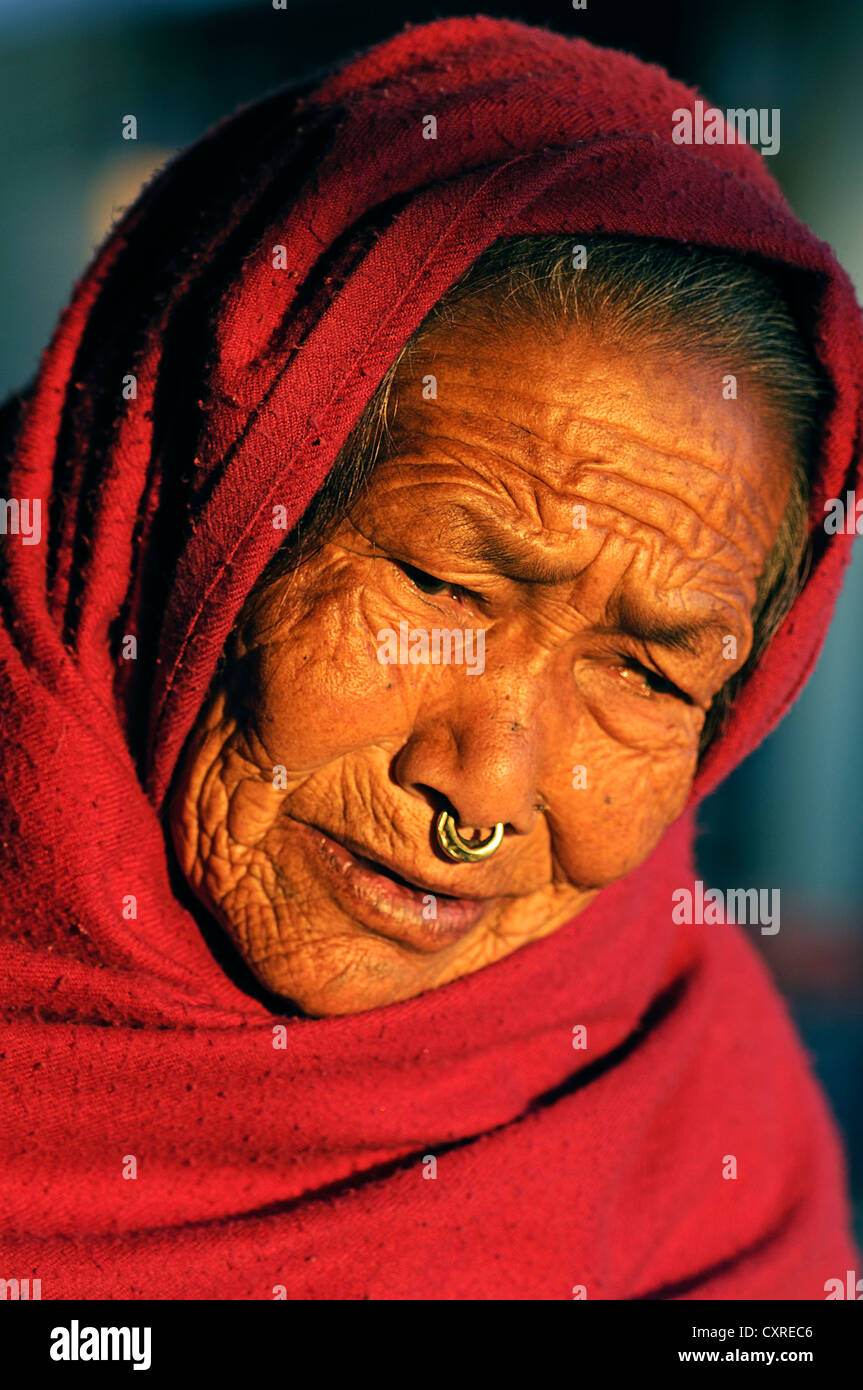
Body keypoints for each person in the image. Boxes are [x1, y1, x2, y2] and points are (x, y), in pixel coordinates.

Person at [1, 15, 860, 1299]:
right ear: (181, 502)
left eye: (647, 673)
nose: (484, 793)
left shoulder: (691, 1144)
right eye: (442, 582)